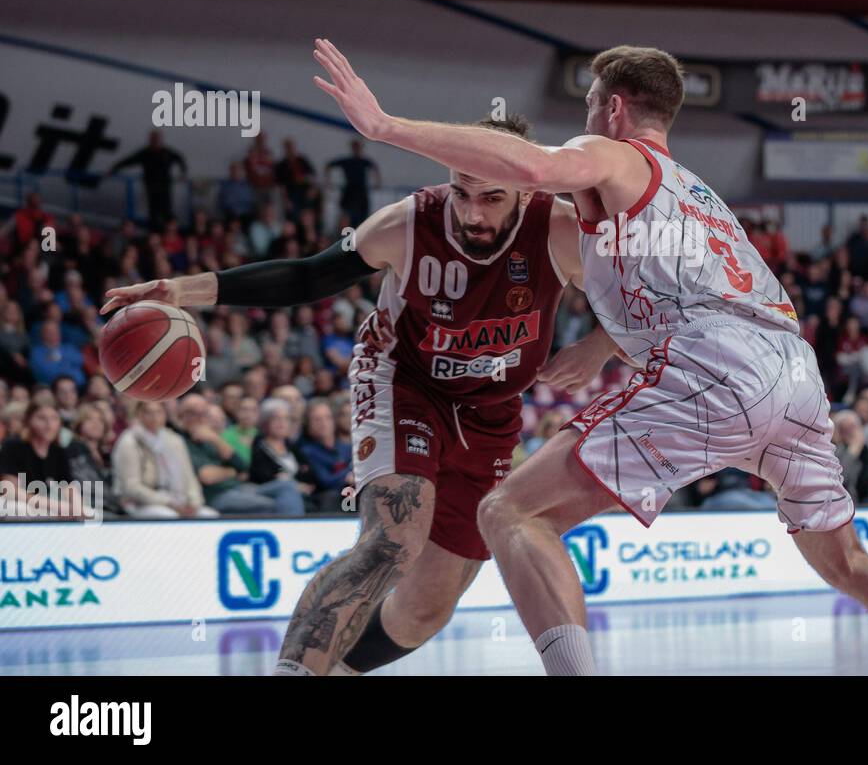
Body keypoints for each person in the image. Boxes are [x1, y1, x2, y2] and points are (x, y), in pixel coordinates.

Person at [313, 38, 868, 676]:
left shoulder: (614, 154)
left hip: (717, 366)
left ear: (614, 108)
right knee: (847, 563)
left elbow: (534, 168)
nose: (584, 122)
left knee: (509, 512)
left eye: (589, 107)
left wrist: (386, 126)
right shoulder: (697, 193)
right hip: (793, 369)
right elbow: (674, 289)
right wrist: (601, 345)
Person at [101, 110, 601, 677]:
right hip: (404, 383)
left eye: (491, 197)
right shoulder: (408, 223)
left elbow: (648, 300)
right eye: (462, 192)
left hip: (492, 411)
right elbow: (307, 276)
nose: (472, 213)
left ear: (527, 188)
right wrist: (180, 290)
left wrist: (600, 346)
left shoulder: (562, 230)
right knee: (392, 542)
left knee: (426, 609)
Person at [110, 400, 217, 519]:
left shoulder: (175, 440)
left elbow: (189, 477)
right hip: (141, 503)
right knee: (168, 517)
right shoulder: (129, 442)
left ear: (165, 414)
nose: (154, 417)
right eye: (149, 412)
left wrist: (194, 502)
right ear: (139, 414)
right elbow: (131, 487)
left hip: (179, 500)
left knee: (209, 515)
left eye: (159, 412)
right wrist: (169, 503)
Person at [109, 130, 187, 229]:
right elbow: (128, 160)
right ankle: (155, 234)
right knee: (154, 214)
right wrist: (113, 169)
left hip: (165, 188)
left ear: (160, 139)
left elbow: (180, 158)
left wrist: (183, 172)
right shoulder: (145, 153)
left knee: (167, 213)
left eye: (157, 138)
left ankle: (169, 234)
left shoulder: (167, 152)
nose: (155, 141)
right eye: (153, 138)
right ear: (150, 140)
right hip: (151, 189)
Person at [327, 139, 381, 228]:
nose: (357, 149)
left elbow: (375, 168)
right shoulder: (346, 161)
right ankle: (344, 235)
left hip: (361, 192)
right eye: (355, 147)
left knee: (363, 219)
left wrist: (377, 183)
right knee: (347, 219)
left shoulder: (364, 161)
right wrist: (328, 182)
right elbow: (329, 166)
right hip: (349, 192)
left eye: (358, 147)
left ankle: (359, 234)